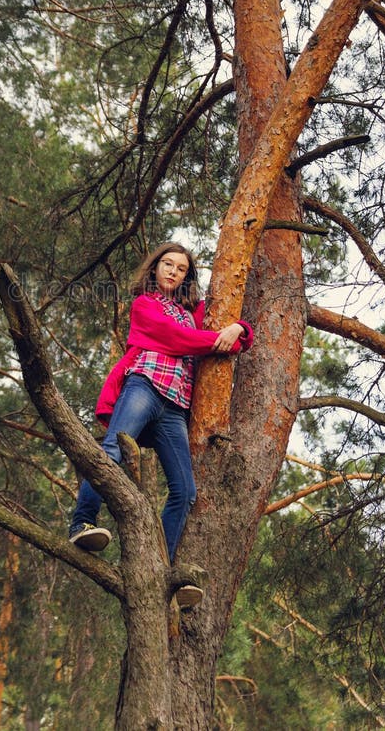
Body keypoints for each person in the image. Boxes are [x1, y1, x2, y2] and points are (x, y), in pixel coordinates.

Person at [68, 242, 254, 607]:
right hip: (145, 385)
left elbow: (239, 332)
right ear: (154, 268)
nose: (172, 271)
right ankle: (82, 523)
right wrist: (221, 341)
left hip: (175, 406)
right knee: (110, 450)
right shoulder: (145, 305)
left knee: (185, 491)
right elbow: (177, 340)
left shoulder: (193, 311)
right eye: (166, 264)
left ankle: (162, 568)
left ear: (187, 276)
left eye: (181, 268)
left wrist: (238, 328)